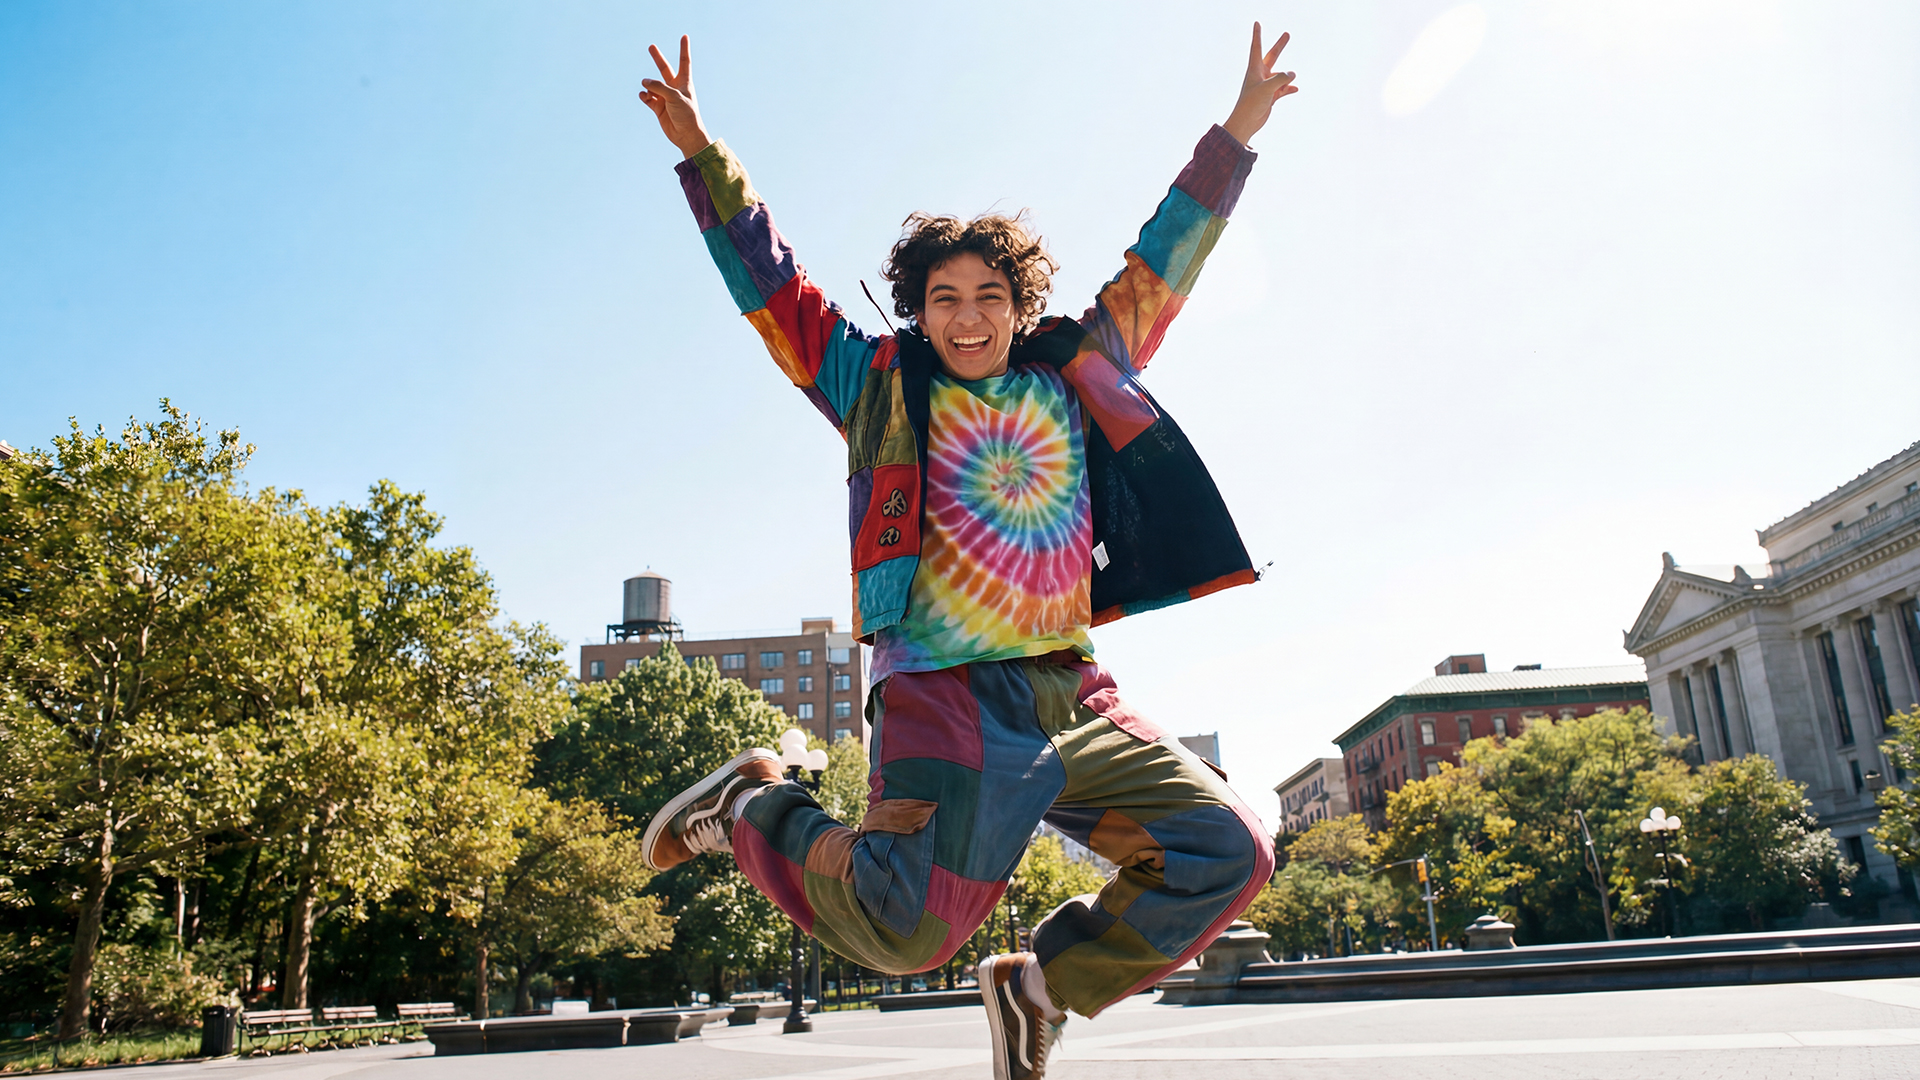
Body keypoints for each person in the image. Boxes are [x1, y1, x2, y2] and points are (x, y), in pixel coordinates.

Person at [637, 25, 1298, 1080]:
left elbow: (1165, 262)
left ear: (1019, 305)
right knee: (908, 931)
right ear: (919, 310)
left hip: (1070, 694)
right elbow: (776, 293)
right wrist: (706, 158)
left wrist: (1238, 130)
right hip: (942, 695)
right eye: (945, 299)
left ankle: (1039, 991)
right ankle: (753, 804)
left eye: (989, 296)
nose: (969, 316)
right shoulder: (878, 390)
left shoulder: (1077, 373)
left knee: (1229, 848)